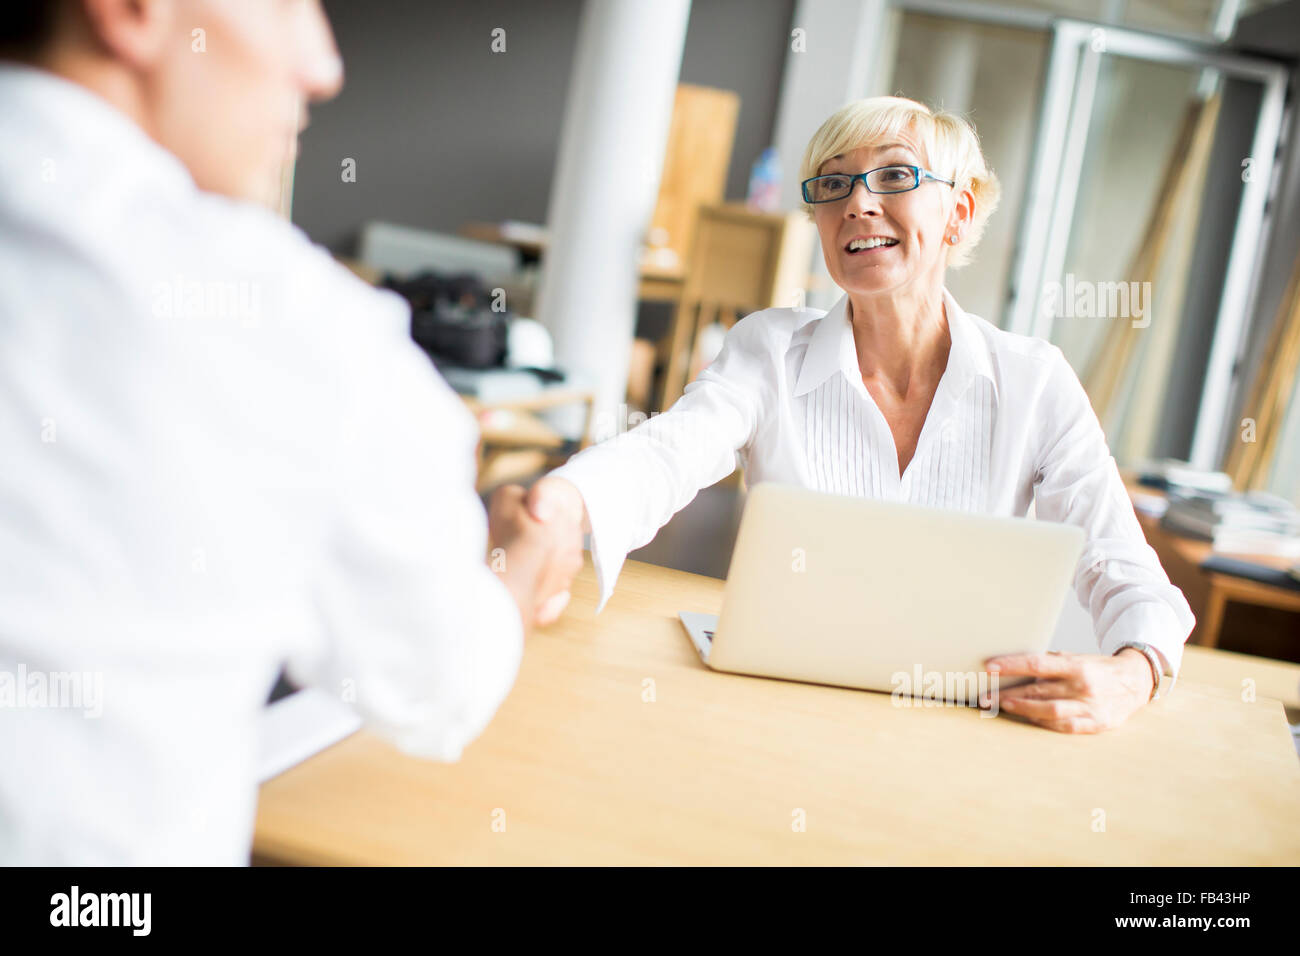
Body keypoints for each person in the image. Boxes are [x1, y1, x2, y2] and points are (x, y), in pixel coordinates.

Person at [0, 0, 580, 864]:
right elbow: (436, 685)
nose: (322, 65)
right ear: (131, 11)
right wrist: (517, 564)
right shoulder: (292, 327)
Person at [512, 96, 1195, 735]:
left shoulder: (1035, 381)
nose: (858, 203)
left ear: (958, 213)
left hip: (959, 724)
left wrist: (1135, 675)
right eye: (833, 185)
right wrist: (567, 506)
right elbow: (665, 454)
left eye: (894, 176)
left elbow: (1120, 561)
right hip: (778, 711)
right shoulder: (769, 350)